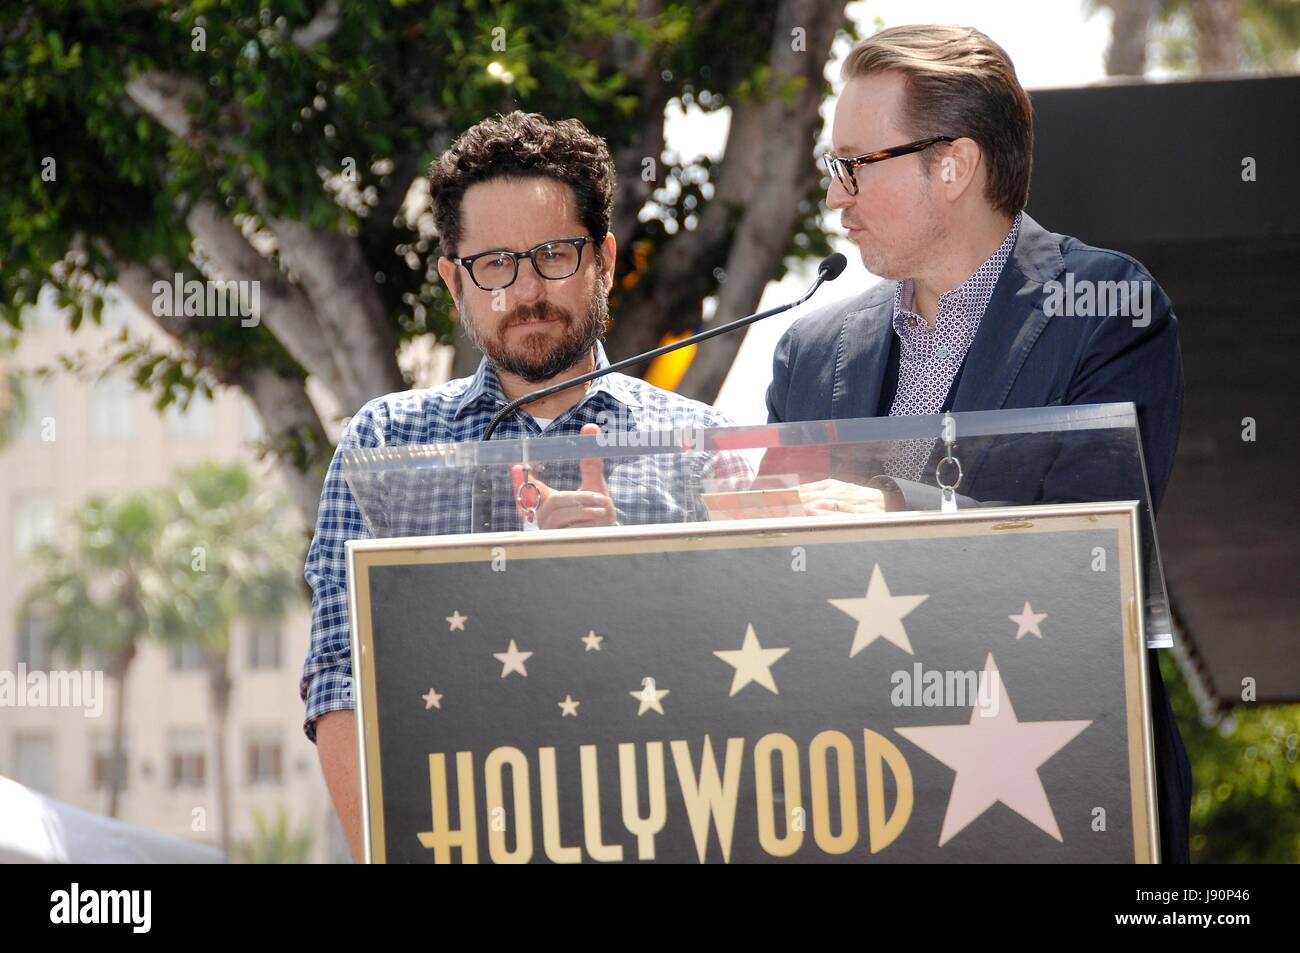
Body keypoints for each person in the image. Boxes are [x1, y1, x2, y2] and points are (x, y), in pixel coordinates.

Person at [766, 24, 1192, 862]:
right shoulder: (807, 354)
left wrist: (894, 506)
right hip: (858, 798)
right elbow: (772, 570)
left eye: (854, 165)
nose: (835, 199)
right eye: (832, 169)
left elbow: (1089, 551)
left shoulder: (1103, 308)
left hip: (1058, 786)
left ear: (952, 164)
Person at [302, 111, 742, 861]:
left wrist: (631, 581)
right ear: (454, 279)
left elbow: (751, 681)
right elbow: (340, 680)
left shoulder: (706, 449)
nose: (526, 289)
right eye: (495, 264)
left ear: (604, 260)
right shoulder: (383, 446)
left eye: (554, 255)